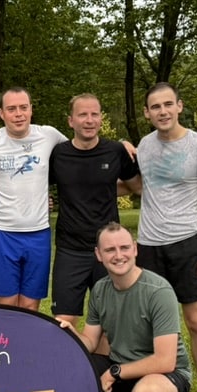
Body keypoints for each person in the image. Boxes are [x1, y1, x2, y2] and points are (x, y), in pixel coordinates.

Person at [134, 82, 197, 392]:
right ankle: (147, 391)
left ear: (179, 106)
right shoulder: (144, 146)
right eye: (155, 107)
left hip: (189, 244)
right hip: (149, 246)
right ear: (147, 113)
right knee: (149, 324)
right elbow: (139, 184)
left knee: (196, 321)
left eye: (168, 105)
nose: (162, 112)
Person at [61, 223, 191, 392]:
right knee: (71, 368)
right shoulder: (100, 289)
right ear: (99, 255)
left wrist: (113, 372)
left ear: (135, 250)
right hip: (122, 367)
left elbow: (165, 361)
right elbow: (90, 341)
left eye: (124, 247)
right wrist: (70, 333)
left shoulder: (158, 291)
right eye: (110, 250)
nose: (119, 255)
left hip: (166, 374)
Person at [0, 87, 67, 311]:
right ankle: (8, 346)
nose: (18, 114)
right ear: (1, 113)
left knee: (31, 304)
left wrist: (122, 145)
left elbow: (81, 149)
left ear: (31, 110)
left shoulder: (49, 134)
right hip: (3, 233)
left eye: (23, 107)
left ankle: (27, 347)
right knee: (7, 304)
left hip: (39, 233)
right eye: (11, 109)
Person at [49, 93, 140, 327]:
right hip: (70, 249)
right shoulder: (58, 154)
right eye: (82, 115)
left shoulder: (116, 151)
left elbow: (135, 187)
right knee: (63, 321)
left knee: (110, 320)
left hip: (108, 249)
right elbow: (35, 187)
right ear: (71, 121)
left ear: (101, 118)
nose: (89, 120)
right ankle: (69, 364)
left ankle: (103, 365)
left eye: (94, 114)